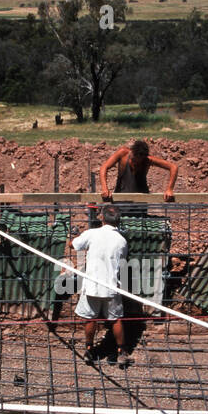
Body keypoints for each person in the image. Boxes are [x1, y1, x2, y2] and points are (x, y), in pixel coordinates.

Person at [70, 204, 129, 366]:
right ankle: (121, 351)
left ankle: (89, 350)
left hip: (92, 286)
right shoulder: (122, 241)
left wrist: (73, 239)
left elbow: (73, 245)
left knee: (90, 318)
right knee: (116, 319)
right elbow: (121, 260)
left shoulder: (91, 234)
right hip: (111, 286)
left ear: (102, 218)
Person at [97, 140, 179, 203]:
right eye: (133, 159)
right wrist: (105, 188)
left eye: (138, 162)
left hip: (140, 202)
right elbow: (104, 167)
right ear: (132, 152)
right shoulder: (122, 154)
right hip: (121, 200)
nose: (134, 163)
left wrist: (169, 189)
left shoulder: (148, 160)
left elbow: (173, 167)